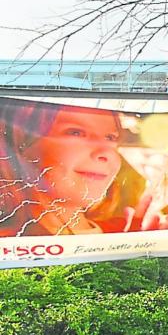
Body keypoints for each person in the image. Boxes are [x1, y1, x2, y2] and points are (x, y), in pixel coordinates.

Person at [0, 100, 150, 237]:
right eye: (76, 133)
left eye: (111, 137)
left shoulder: (131, 233)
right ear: (20, 144)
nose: (105, 153)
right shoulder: (10, 244)